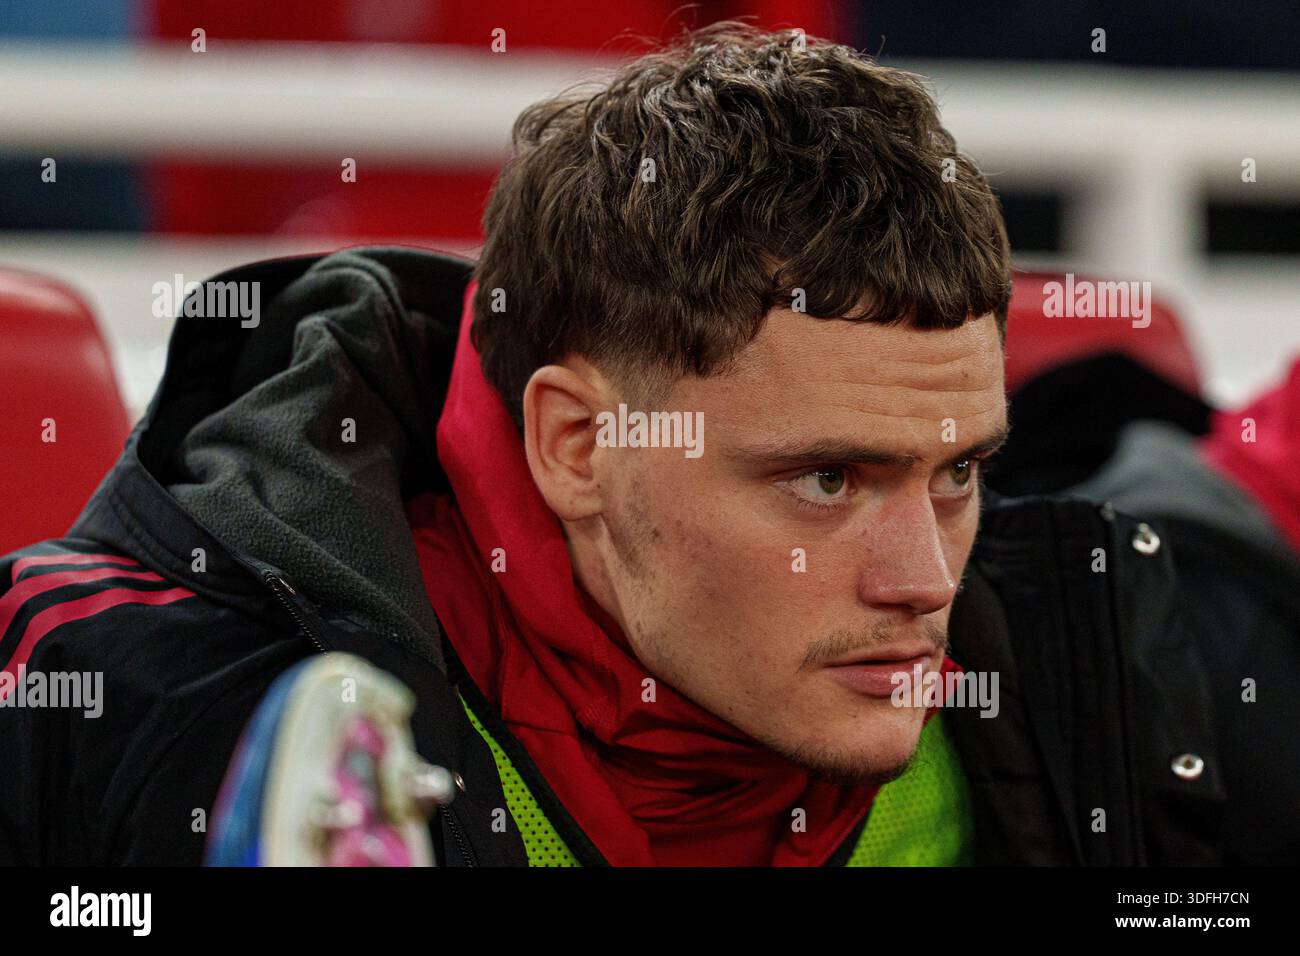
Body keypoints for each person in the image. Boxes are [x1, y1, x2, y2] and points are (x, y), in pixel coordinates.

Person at [0, 22, 1292, 866]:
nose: (922, 580)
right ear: (576, 442)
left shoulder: (1098, 667)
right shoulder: (126, 704)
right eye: (826, 479)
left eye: (957, 471)